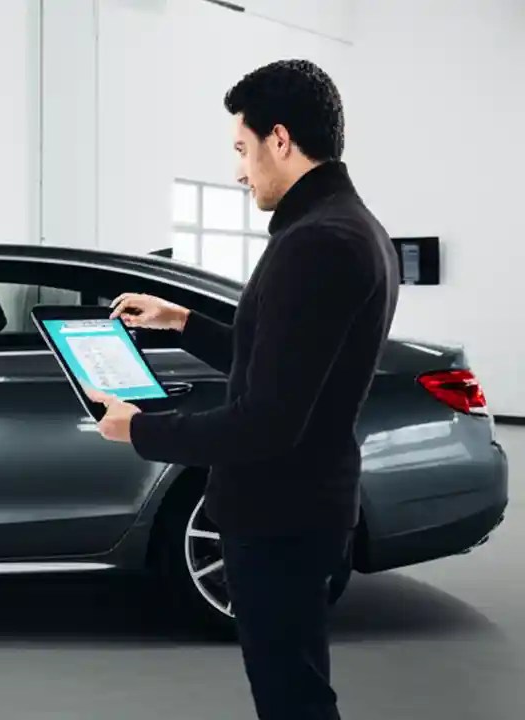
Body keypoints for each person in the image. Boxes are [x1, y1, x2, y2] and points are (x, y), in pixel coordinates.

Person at [87, 59, 399, 720]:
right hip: (306, 506)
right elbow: (277, 363)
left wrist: (137, 429)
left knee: (293, 700)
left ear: (279, 139)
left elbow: (265, 421)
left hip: (280, 515)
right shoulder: (349, 227)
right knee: (297, 688)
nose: (238, 170)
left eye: (241, 148)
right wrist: (181, 321)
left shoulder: (316, 243)